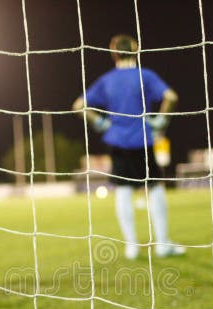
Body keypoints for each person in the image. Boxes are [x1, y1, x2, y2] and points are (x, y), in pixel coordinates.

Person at [72, 34, 182, 260]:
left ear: (113, 54)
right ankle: (162, 244)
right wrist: (162, 119)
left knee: (123, 190)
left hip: (118, 141)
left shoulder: (107, 80)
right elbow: (171, 96)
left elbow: (79, 105)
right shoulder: (146, 75)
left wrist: (101, 122)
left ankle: (131, 247)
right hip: (143, 139)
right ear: (136, 51)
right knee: (154, 188)